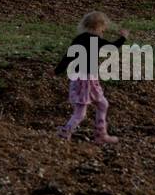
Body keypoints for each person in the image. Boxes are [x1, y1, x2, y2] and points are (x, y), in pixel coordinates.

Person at [54, 11, 128, 144]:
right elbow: (112, 48)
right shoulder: (95, 40)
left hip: (81, 79)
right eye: (103, 28)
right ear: (98, 27)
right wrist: (123, 37)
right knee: (81, 112)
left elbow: (67, 57)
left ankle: (101, 134)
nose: (103, 31)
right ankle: (66, 132)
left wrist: (57, 71)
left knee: (102, 104)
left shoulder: (79, 39)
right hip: (86, 80)